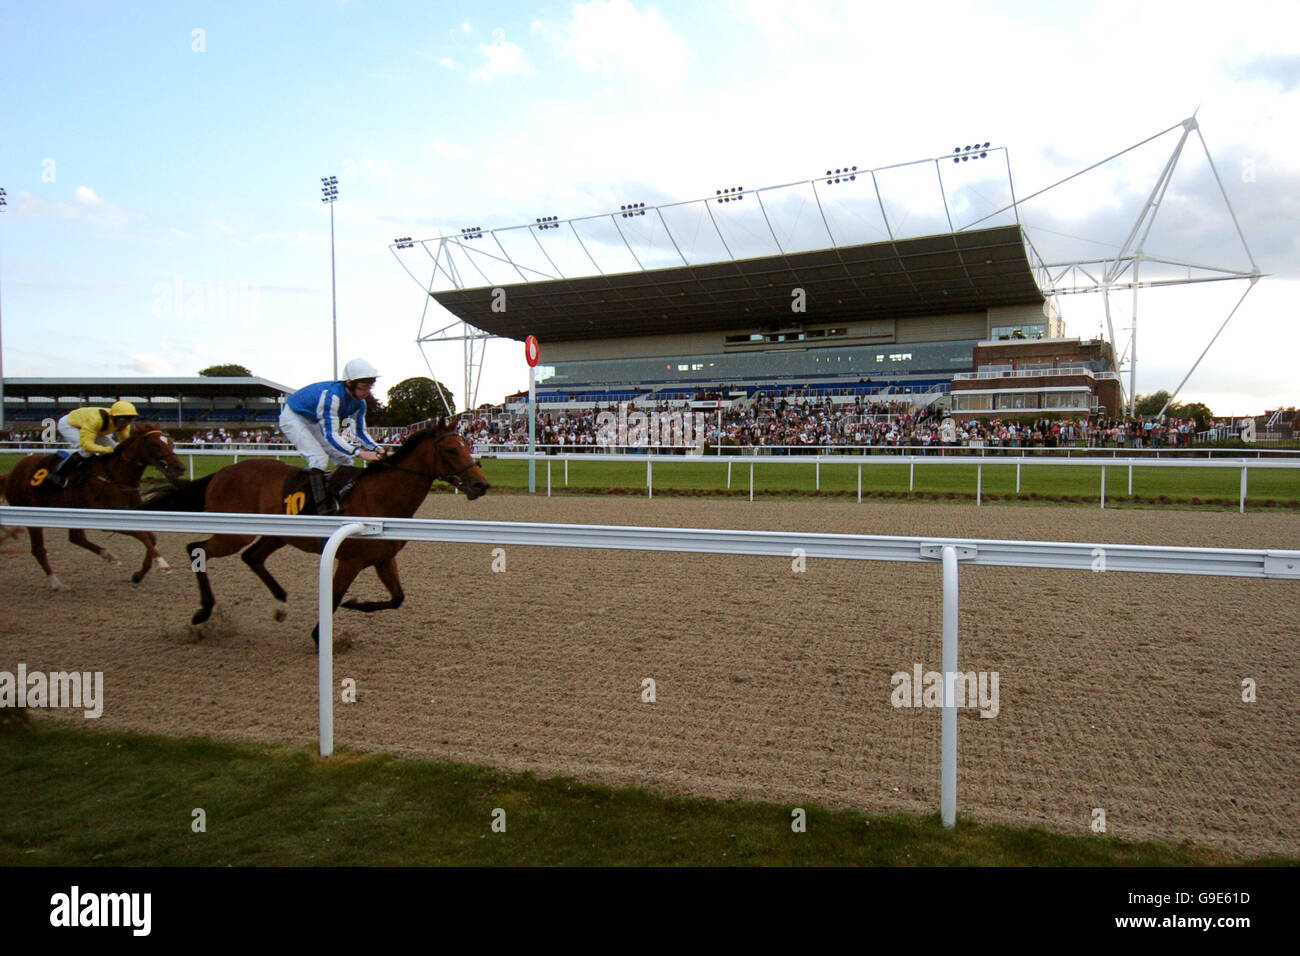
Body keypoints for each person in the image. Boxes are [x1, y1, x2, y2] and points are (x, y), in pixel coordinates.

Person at [279, 358, 388, 515]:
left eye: (370, 387)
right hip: (294, 417)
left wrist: (378, 449)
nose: (367, 392)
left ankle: (332, 496)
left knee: (345, 460)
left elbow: (360, 432)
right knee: (319, 458)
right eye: (363, 387)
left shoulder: (359, 403)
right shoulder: (332, 396)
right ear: (349, 383)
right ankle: (320, 507)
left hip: (313, 420)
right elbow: (331, 435)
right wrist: (360, 452)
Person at [47, 401, 139, 488]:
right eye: (123, 419)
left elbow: (125, 444)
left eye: (129, 419)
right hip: (70, 425)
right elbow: (86, 444)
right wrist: (106, 450)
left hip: (90, 427)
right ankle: (58, 474)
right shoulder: (96, 420)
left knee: (115, 448)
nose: (126, 423)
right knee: (86, 451)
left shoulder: (124, 424)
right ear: (114, 417)